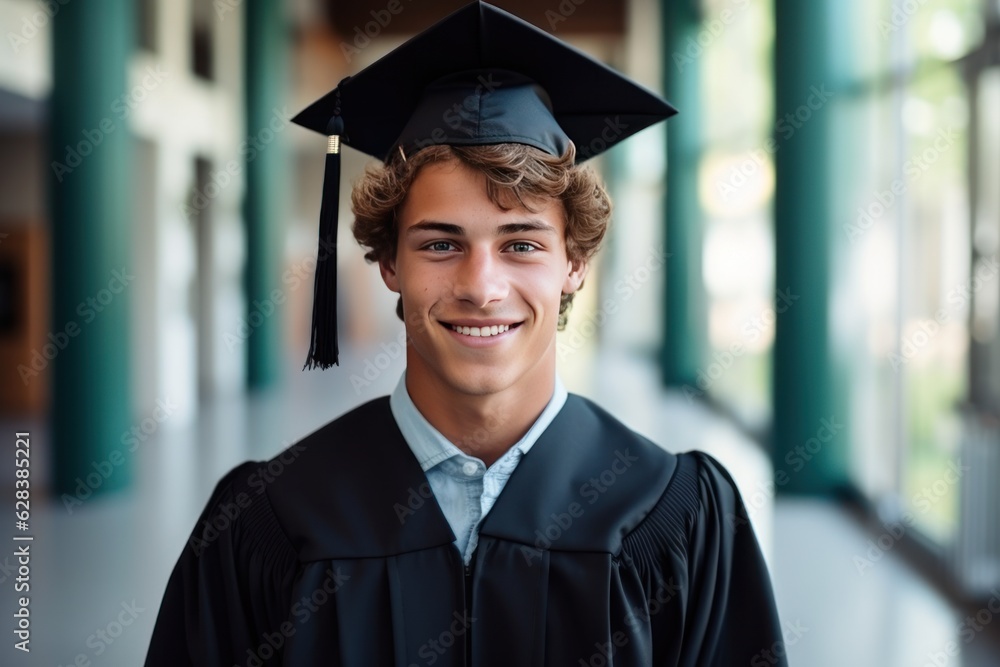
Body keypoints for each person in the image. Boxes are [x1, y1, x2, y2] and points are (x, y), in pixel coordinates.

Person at [145, 2, 787, 665]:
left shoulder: (674, 517)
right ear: (389, 262)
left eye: (522, 244)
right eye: (442, 244)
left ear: (576, 263)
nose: (482, 286)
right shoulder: (269, 522)